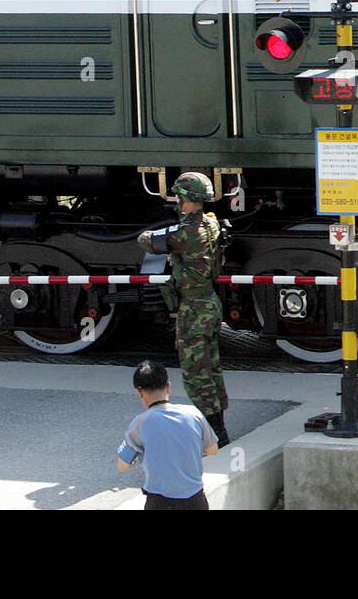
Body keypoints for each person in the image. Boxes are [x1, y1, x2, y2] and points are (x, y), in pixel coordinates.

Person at [138, 172, 230, 444]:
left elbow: (147, 241)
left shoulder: (186, 233)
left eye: (180, 196)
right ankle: (219, 429)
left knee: (195, 374)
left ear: (187, 198)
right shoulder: (211, 224)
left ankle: (214, 435)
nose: (178, 201)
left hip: (193, 310)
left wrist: (151, 233)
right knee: (212, 369)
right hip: (210, 304)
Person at [117, 360, 220, 510]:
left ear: (140, 392)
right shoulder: (193, 414)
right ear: (168, 386)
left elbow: (123, 466)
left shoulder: (139, 423)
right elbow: (213, 450)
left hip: (159, 502)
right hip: (195, 500)